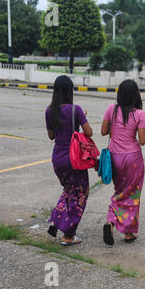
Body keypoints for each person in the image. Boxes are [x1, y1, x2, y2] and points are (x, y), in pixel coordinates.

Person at [45, 75, 93, 246]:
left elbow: (51, 136)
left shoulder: (49, 111)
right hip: (74, 160)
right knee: (79, 194)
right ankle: (68, 235)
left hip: (58, 159)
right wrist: (81, 120)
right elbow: (89, 133)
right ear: (69, 92)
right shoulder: (76, 110)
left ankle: (56, 221)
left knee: (69, 190)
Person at [101, 80, 145, 245]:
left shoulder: (111, 109)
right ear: (136, 95)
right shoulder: (139, 114)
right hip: (132, 158)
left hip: (115, 156)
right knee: (133, 194)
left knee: (119, 191)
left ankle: (111, 221)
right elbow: (142, 140)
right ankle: (128, 233)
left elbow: (103, 131)